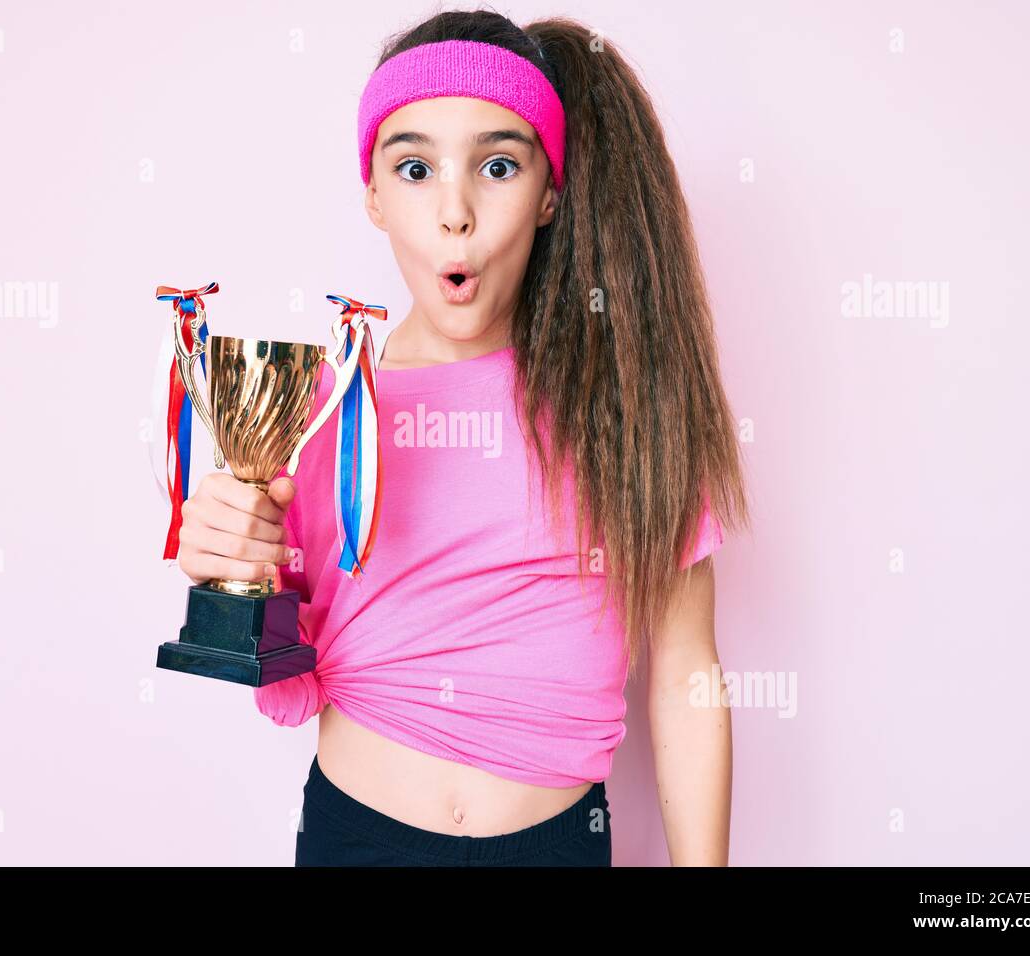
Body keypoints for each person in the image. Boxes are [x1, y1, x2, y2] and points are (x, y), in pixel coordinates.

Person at [176, 9, 749, 867]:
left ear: (550, 192)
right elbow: (288, 681)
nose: (456, 212)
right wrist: (229, 564)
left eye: (498, 165)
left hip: (558, 846)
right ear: (373, 195)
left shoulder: (625, 407)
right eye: (414, 168)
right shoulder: (317, 413)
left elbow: (685, 676)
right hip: (355, 839)